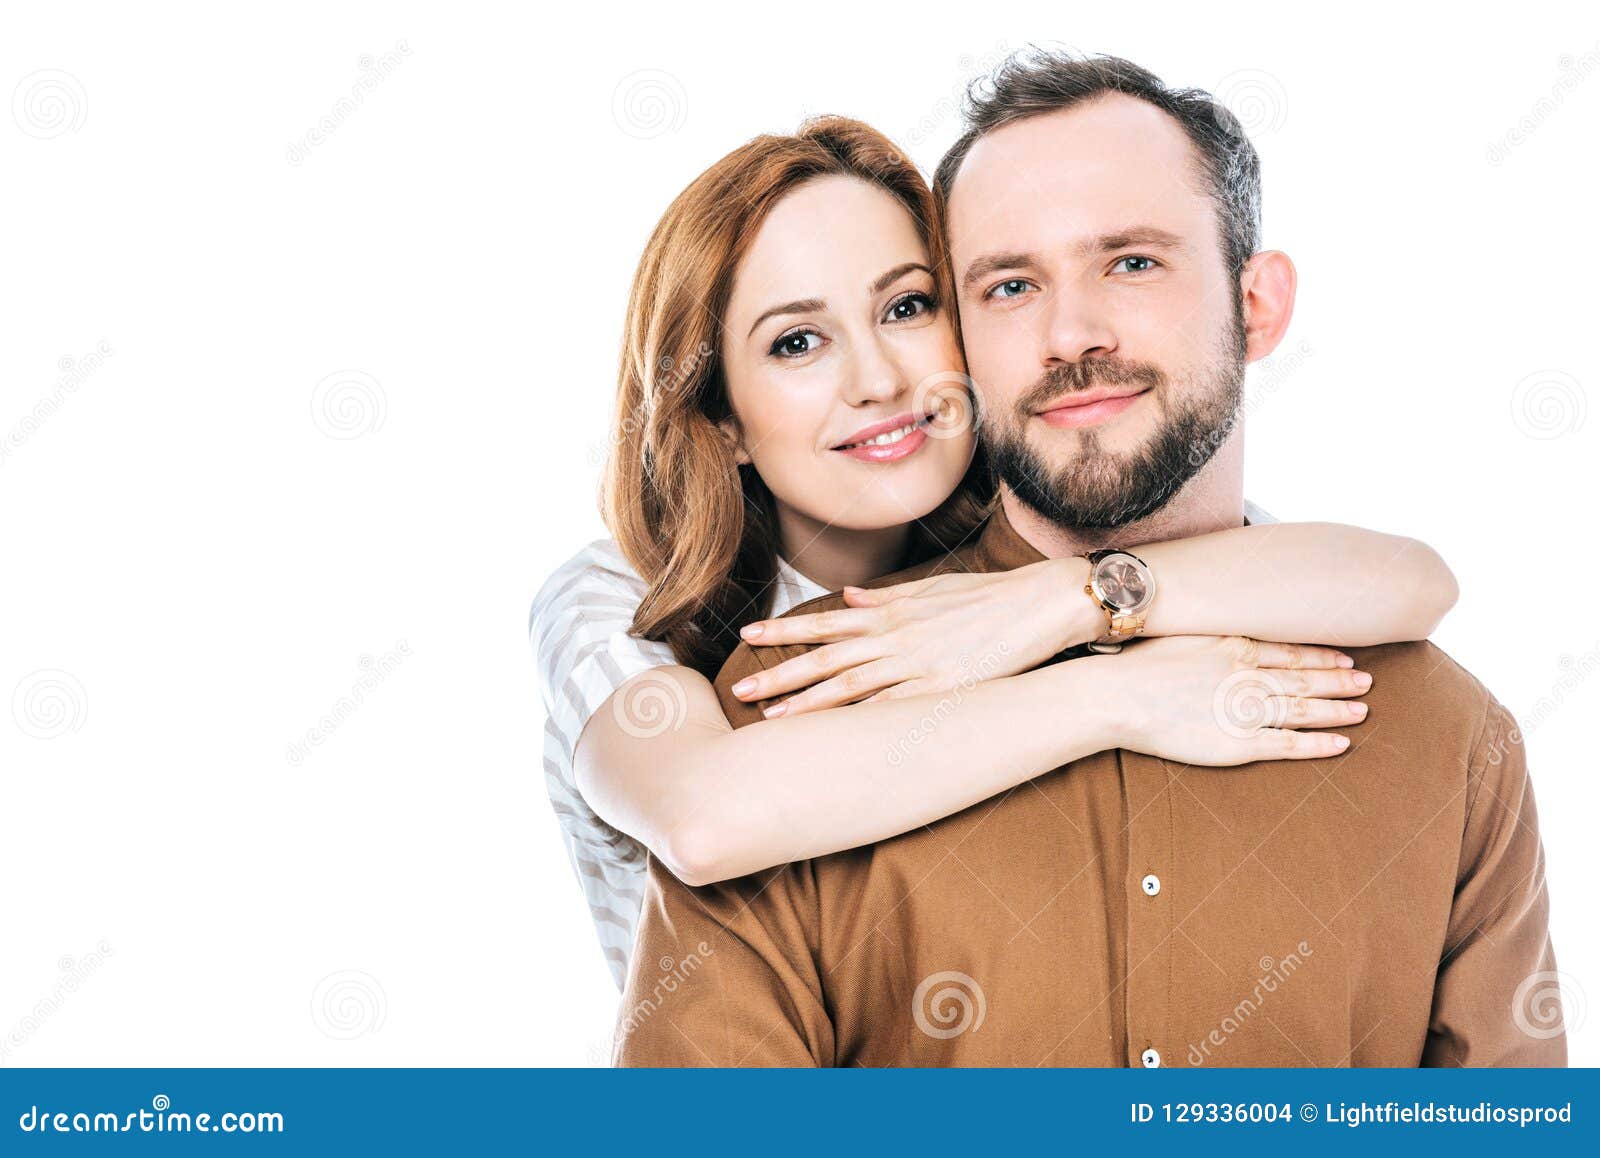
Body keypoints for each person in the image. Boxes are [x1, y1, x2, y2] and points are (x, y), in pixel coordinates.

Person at [613, 52, 1563, 1067]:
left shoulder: (1441, 732)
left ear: (1256, 305)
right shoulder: (792, 700)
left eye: (1131, 263)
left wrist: (1080, 602)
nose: (1070, 335)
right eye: (1010, 285)